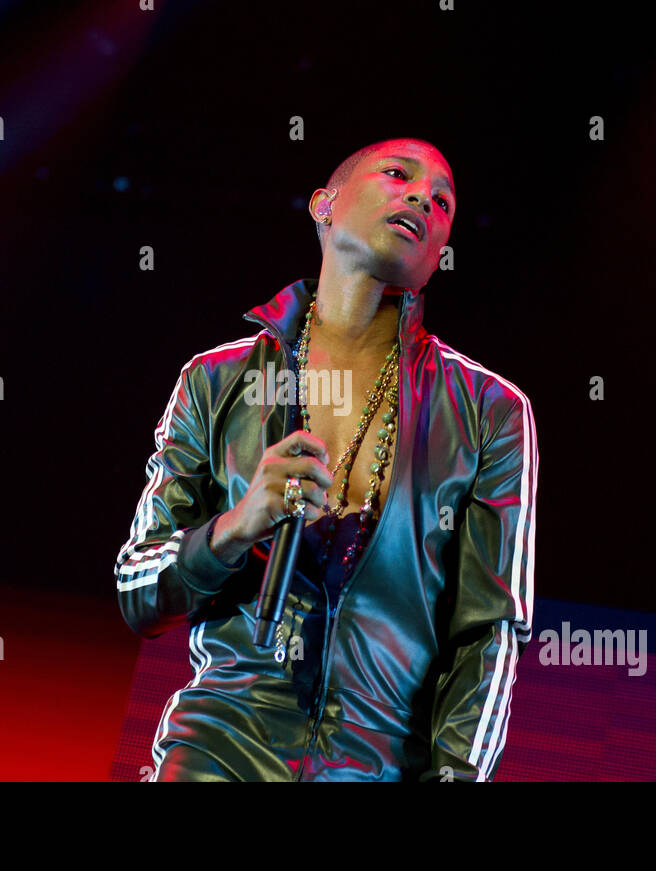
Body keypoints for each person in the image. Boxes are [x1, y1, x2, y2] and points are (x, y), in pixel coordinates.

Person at [115, 138, 538, 781]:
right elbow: (139, 593)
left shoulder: (489, 410)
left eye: (443, 201)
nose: (423, 196)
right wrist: (236, 526)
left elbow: (489, 636)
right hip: (221, 744)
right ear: (325, 204)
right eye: (398, 175)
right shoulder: (217, 379)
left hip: (375, 763)